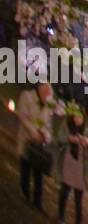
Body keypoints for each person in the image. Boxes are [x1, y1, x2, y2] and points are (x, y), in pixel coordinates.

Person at [50, 103, 88, 224]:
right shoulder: (66, 127)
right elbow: (58, 140)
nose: (77, 119)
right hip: (67, 165)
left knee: (78, 200)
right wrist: (69, 139)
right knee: (64, 193)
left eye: (80, 117)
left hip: (80, 170)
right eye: (75, 117)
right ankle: (60, 216)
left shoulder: (87, 133)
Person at [16, 81, 56, 212]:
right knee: (25, 171)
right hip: (27, 141)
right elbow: (23, 118)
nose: (47, 97)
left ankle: (38, 202)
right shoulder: (27, 96)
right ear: (40, 90)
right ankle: (25, 194)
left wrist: (45, 136)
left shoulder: (48, 105)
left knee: (38, 175)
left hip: (39, 146)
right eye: (46, 94)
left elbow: (48, 125)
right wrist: (35, 133)